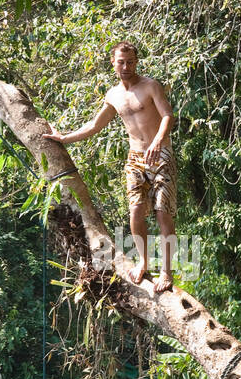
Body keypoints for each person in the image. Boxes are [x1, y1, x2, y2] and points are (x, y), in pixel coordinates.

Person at [42, 40, 177, 293]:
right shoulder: (114, 95)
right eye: (122, 62)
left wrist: (158, 140)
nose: (127, 67)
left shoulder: (150, 87)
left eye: (131, 62)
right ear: (113, 63)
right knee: (135, 211)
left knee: (162, 212)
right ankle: (144, 262)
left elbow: (168, 115)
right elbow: (94, 126)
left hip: (161, 155)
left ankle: (167, 272)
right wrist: (64, 138)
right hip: (135, 157)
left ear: (136, 62)